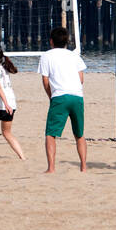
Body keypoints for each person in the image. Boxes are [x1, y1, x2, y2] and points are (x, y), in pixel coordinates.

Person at [37, 27, 86, 173]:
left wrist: (51, 96)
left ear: (51, 41)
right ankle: (83, 167)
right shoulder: (74, 55)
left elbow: (45, 81)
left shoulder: (46, 56)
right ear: (67, 41)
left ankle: (51, 168)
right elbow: (81, 79)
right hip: (77, 96)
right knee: (79, 134)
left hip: (59, 96)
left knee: (50, 134)